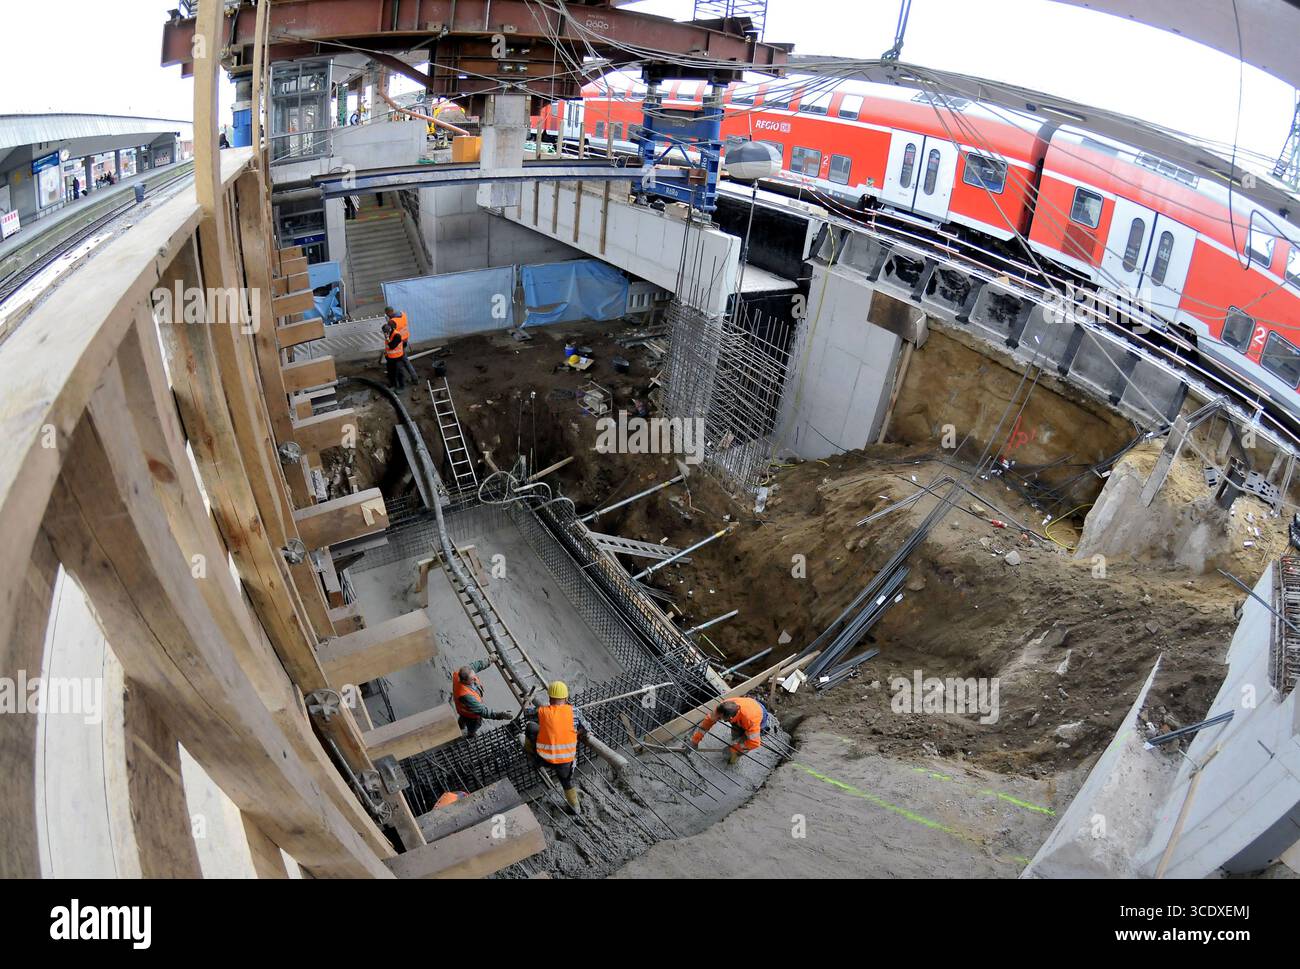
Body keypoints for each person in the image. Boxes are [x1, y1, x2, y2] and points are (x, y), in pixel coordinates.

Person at [524, 681, 590, 813]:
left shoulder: (542, 711)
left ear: (549, 699)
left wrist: (527, 700)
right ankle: (574, 807)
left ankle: (530, 755)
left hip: (544, 759)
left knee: (530, 727)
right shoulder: (574, 711)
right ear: (566, 698)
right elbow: (587, 728)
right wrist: (576, 733)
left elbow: (526, 713)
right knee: (566, 782)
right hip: (565, 763)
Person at [688, 696, 771, 765]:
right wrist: (695, 740)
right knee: (735, 734)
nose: (718, 719)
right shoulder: (722, 707)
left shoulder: (750, 721)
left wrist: (734, 749)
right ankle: (735, 741)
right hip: (749, 704)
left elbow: (754, 743)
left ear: (730, 718)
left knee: (744, 742)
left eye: (720, 718)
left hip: (759, 713)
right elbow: (708, 722)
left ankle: (734, 760)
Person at [450, 660, 514, 739]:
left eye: (474, 677)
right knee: (474, 725)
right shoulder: (465, 695)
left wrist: (489, 660)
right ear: (464, 681)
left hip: (462, 710)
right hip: (471, 714)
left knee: (462, 718)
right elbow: (482, 711)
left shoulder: (459, 674)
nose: (475, 679)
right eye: (472, 679)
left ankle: (460, 726)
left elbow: (477, 665)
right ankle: (471, 734)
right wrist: (500, 715)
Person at [385, 305, 418, 383]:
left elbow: (391, 333)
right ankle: (414, 377)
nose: (386, 316)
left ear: (388, 313)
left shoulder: (391, 322)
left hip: (399, 343)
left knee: (404, 361)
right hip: (405, 339)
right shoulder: (402, 314)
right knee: (404, 360)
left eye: (387, 314)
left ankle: (413, 378)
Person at [382, 319, 407, 391]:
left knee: (399, 373)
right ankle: (393, 384)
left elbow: (392, 346)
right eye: (384, 333)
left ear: (390, 329)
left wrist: (387, 338)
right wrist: (386, 353)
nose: (385, 334)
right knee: (390, 372)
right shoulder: (388, 334)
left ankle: (401, 386)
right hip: (390, 358)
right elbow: (387, 346)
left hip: (398, 358)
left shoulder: (397, 335)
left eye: (386, 332)